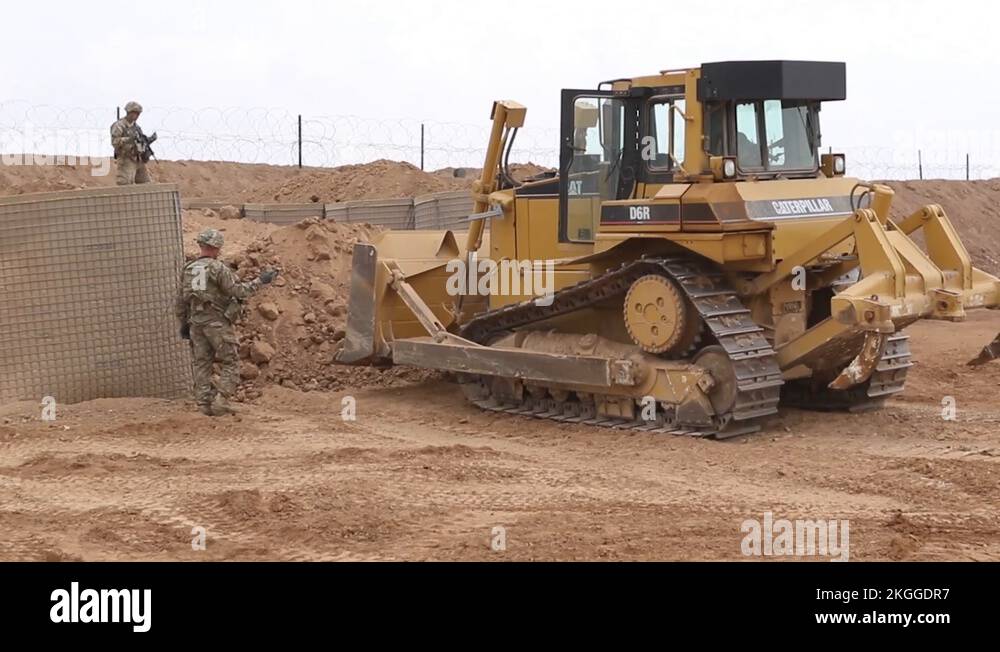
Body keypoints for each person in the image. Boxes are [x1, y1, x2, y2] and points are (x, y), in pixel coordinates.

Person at [175, 228, 278, 416]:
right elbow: (239, 292)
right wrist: (260, 281)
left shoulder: (188, 268)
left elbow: (181, 300)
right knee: (230, 361)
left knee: (202, 362)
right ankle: (221, 400)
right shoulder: (217, 268)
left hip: (196, 323)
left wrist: (183, 322)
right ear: (216, 247)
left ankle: (203, 403)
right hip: (216, 323)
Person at [110, 101, 156, 185]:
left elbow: (140, 140)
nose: (137, 116)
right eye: (135, 113)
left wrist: (148, 140)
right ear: (129, 112)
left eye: (138, 113)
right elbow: (115, 142)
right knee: (125, 185)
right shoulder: (119, 125)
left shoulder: (136, 127)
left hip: (138, 159)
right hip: (126, 159)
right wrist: (129, 139)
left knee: (146, 184)